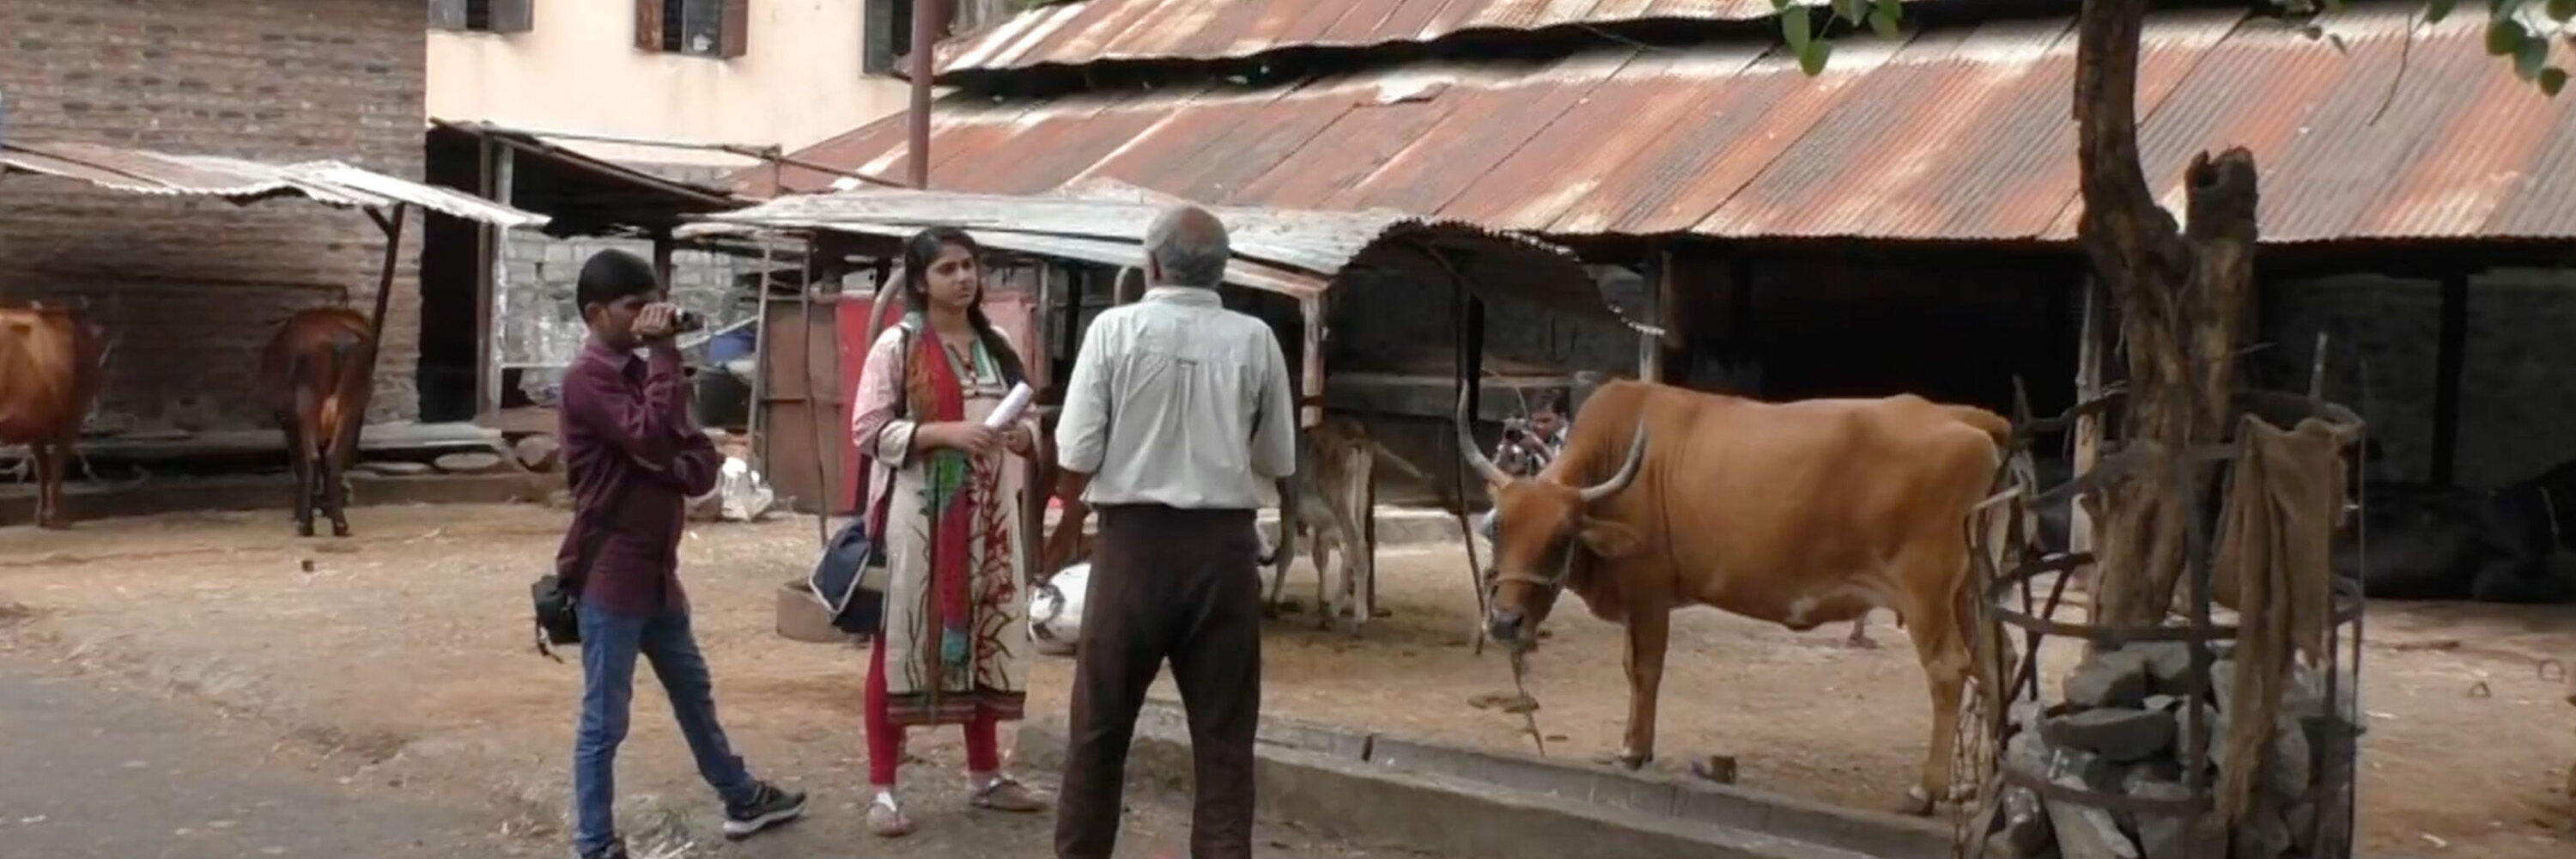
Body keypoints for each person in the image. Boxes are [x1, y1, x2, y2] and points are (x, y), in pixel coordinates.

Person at [1053, 204, 1297, 859]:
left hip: (1133, 549)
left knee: (1098, 731)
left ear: (1151, 263)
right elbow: (1277, 459)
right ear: (1223, 270)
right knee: (1223, 741)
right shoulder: (1256, 340)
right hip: (1223, 555)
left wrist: (1056, 527)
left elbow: (1076, 450)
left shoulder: (1113, 330)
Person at [556, 249, 805, 859]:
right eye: (635, 308)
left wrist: (666, 452)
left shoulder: (644, 374)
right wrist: (666, 361)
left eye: (652, 304)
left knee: (693, 690)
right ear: (596, 314)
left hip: (657, 575)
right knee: (605, 720)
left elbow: (698, 465)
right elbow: (647, 435)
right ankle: (593, 842)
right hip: (611, 571)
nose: (650, 317)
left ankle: (740, 796)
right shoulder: (588, 378)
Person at [847, 227, 1050, 838]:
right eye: (948, 269)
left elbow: (1031, 420)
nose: (963, 278)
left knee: (988, 637)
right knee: (904, 639)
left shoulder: (998, 345)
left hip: (991, 516)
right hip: (921, 519)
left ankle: (985, 775)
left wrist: (1021, 437)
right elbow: (867, 430)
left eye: (970, 267)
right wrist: (943, 434)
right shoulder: (897, 347)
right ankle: (884, 789)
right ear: (919, 281)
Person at [1475, 390, 1571, 544]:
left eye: (1546, 421)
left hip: (1561, 502)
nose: (1539, 427)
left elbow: (1567, 475)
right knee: (1489, 523)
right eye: (1535, 421)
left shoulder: (1573, 438)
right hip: (1530, 500)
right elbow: (1495, 473)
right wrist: (1507, 444)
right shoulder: (1527, 435)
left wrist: (1541, 449)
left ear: (1562, 418)